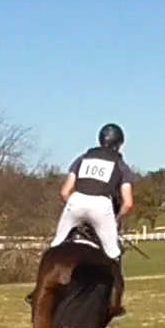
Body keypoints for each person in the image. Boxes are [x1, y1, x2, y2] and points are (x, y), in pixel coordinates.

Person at [50, 122, 135, 317]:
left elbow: (65, 192)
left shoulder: (82, 158)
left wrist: (76, 209)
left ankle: (38, 290)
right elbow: (128, 203)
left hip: (75, 201)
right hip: (101, 207)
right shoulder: (120, 164)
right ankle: (115, 302)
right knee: (114, 253)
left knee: (55, 246)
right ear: (119, 144)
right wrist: (116, 218)